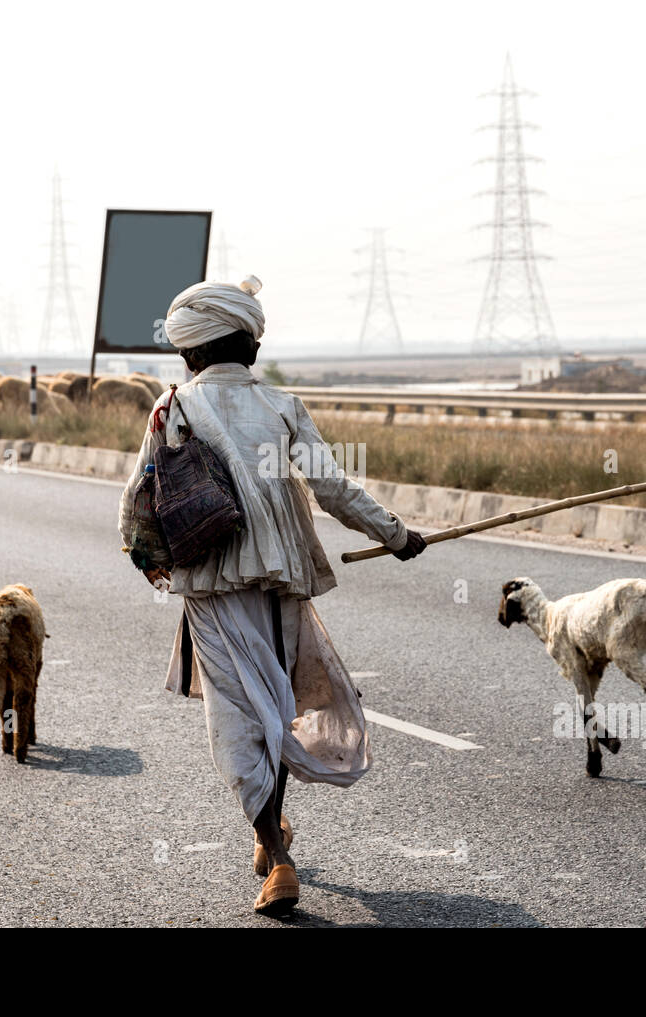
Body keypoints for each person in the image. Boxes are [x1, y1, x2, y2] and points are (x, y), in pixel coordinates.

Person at [118, 275, 426, 916]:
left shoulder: (171, 407)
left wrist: (150, 557)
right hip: (281, 580)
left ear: (190, 353)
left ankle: (276, 855)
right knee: (275, 703)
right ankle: (273, 838)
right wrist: (396, 536)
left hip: (210, 585)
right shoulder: (284, 405)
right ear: (249, 346)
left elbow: (136, 503)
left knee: (239, 714)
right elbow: (334, 489)